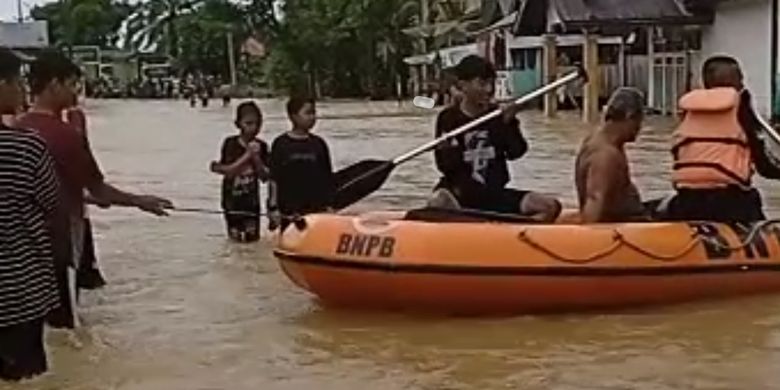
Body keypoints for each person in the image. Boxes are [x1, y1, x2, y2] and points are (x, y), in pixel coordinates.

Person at [15, 50, 173, 329]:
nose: (77, 91)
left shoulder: (15, 129)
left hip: (20, 251)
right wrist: (140, 201)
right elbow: (98, 190)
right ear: (54, 85)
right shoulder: (66, 136)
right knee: (65, 331)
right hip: (59, 246)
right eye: (72, 84)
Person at [427, 55, 561, 221]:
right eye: (482, 84)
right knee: (437, 201)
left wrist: (509, 123)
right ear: (463, 86)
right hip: (460, 194)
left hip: (493, 194)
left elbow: (516, 152)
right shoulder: (448, 118)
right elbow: (446, 167)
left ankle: (517, 239)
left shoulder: (497, 116)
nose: (489, 89)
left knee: (550, 206)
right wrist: (446, 148)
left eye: (492, 83)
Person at [0, 47, 64, 381]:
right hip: (19, 293)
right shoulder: (26, 146)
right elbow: (53, 207)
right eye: (16, 81)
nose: (22, 89)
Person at [666, 55, 780, 223]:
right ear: (734, 83)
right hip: (730, 202)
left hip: (687, 200)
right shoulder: (743, 112)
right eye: (739, 78)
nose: (742, 84)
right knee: (753, 200)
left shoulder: (689, 112)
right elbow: (763, 166)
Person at [575, 87, 647, 223]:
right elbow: (594, 198)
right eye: (639, 121)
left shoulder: (598, 139)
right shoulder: (605, 155)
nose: (639, 128)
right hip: (618, 226)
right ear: (629, 117)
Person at [268, 96, 335, 230]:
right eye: (308, 113)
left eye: (314, 113)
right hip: (288, 210)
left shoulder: (319, 144)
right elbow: (274, 178)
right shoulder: (281, 144)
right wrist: (273, 207)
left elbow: (327, 177)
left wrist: (330, 205)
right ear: (293, 117)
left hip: (316, 209)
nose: (313, 117)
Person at [63, 94, 108, 290]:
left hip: (77, 210)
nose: (75, 91)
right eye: (71, 83)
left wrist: (97, 191)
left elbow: (85, 157)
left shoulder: (76, 116)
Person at [210, 101, 270, 242]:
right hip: (232, 202)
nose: (254, 128)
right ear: (238, 124)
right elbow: (229, 171)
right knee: (234, 240)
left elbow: (264, 177)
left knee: (252, 240)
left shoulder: (262, 146)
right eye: (248, 123)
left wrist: (256, 158)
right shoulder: (230, 144)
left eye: (257, 124)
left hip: (251, 203)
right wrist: (247, 155)